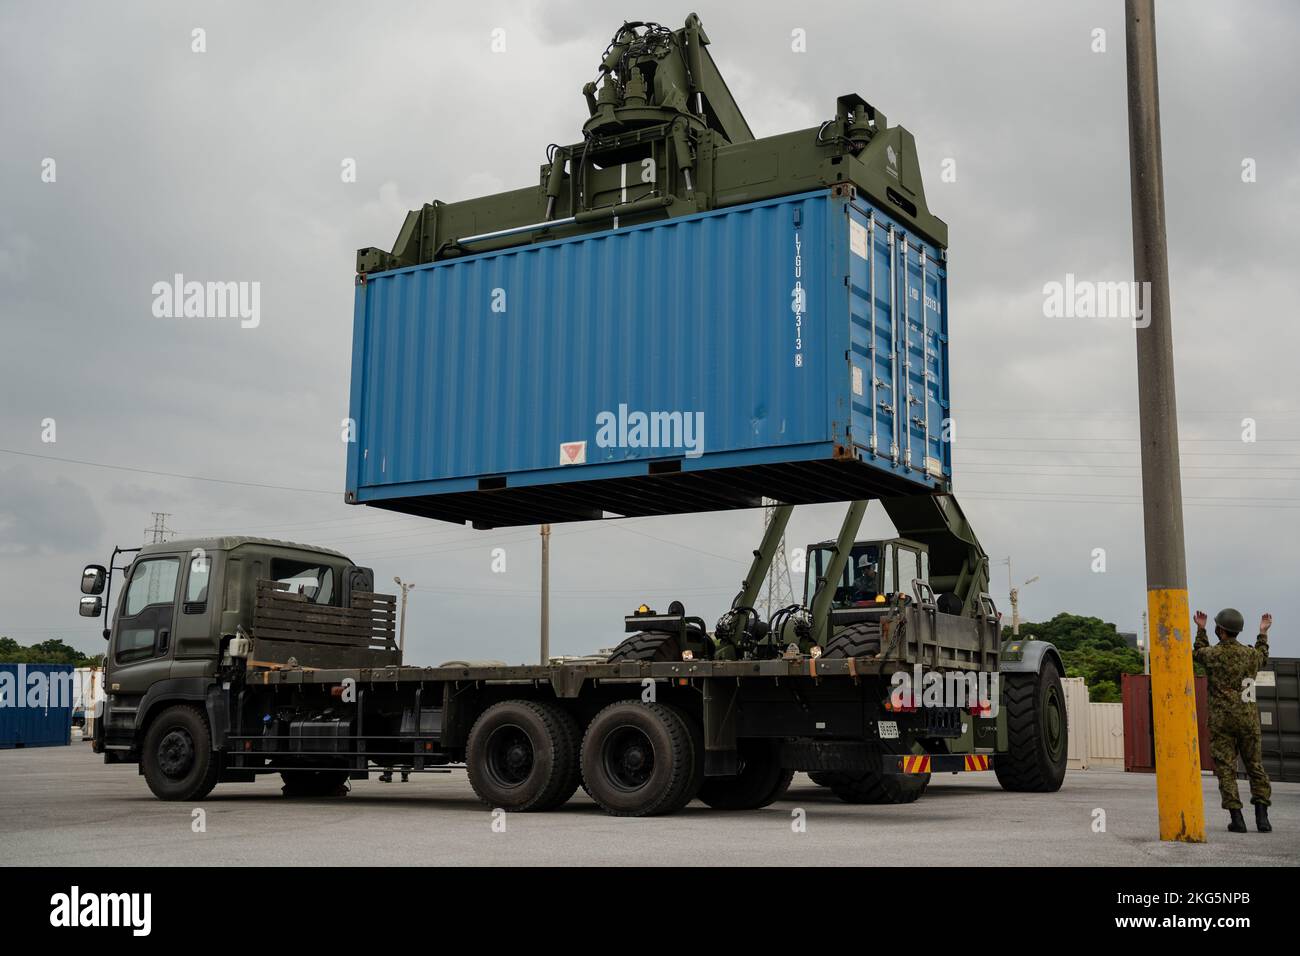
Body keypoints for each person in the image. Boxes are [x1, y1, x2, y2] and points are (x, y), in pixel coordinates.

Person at [1193, 608, 1272, 833]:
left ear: (1220, 630)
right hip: (1248, 720)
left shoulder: (1212, 654)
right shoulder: (1250, 655)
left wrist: (1201, 629)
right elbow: (1263, 655)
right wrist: (1262, 633)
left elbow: (1198, 652)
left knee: (1226, 769)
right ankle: (1262, 818)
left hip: (1222, 721)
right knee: (1255, 766)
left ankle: (1237, 819)